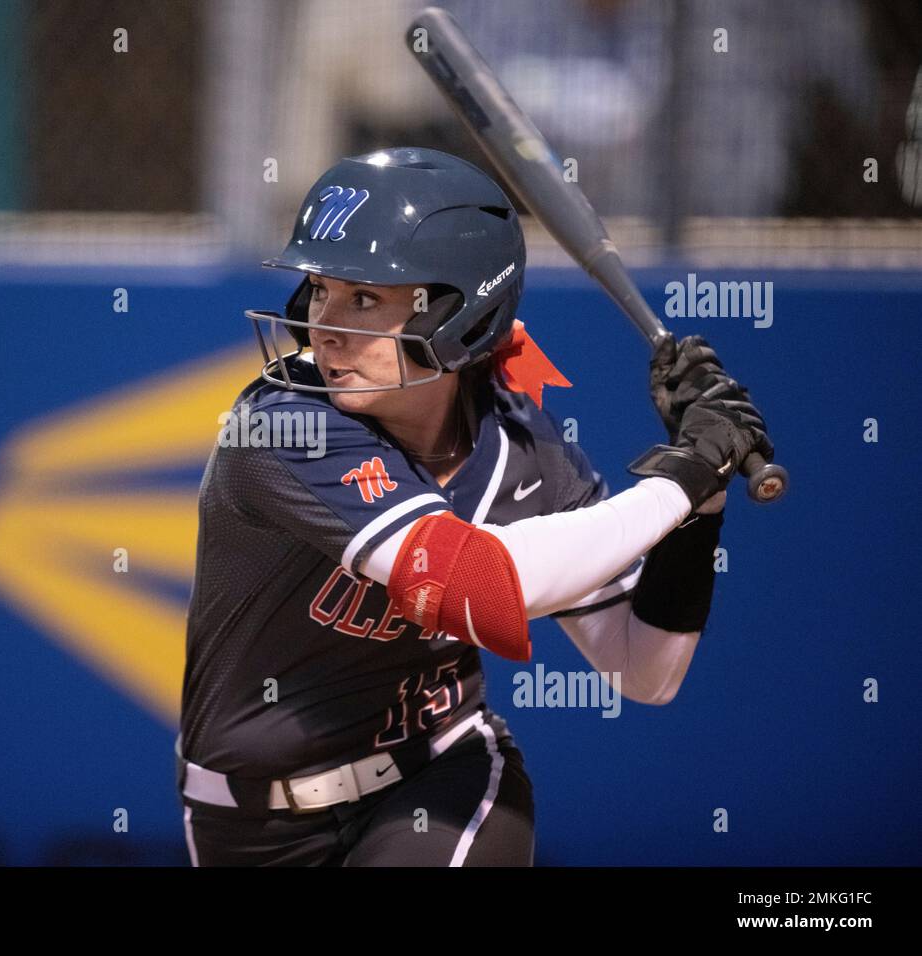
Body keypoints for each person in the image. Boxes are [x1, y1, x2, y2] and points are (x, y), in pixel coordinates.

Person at [175, 146, 773, 866]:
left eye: (365, 298)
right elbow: (475, 582)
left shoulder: (521, 445)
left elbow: (643, 669)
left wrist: (698, 507)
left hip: (439, 778)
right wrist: (676, 480)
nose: (326, 327)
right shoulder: (283, 424)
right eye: (319, 290)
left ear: (461, 314)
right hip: (243, 825)